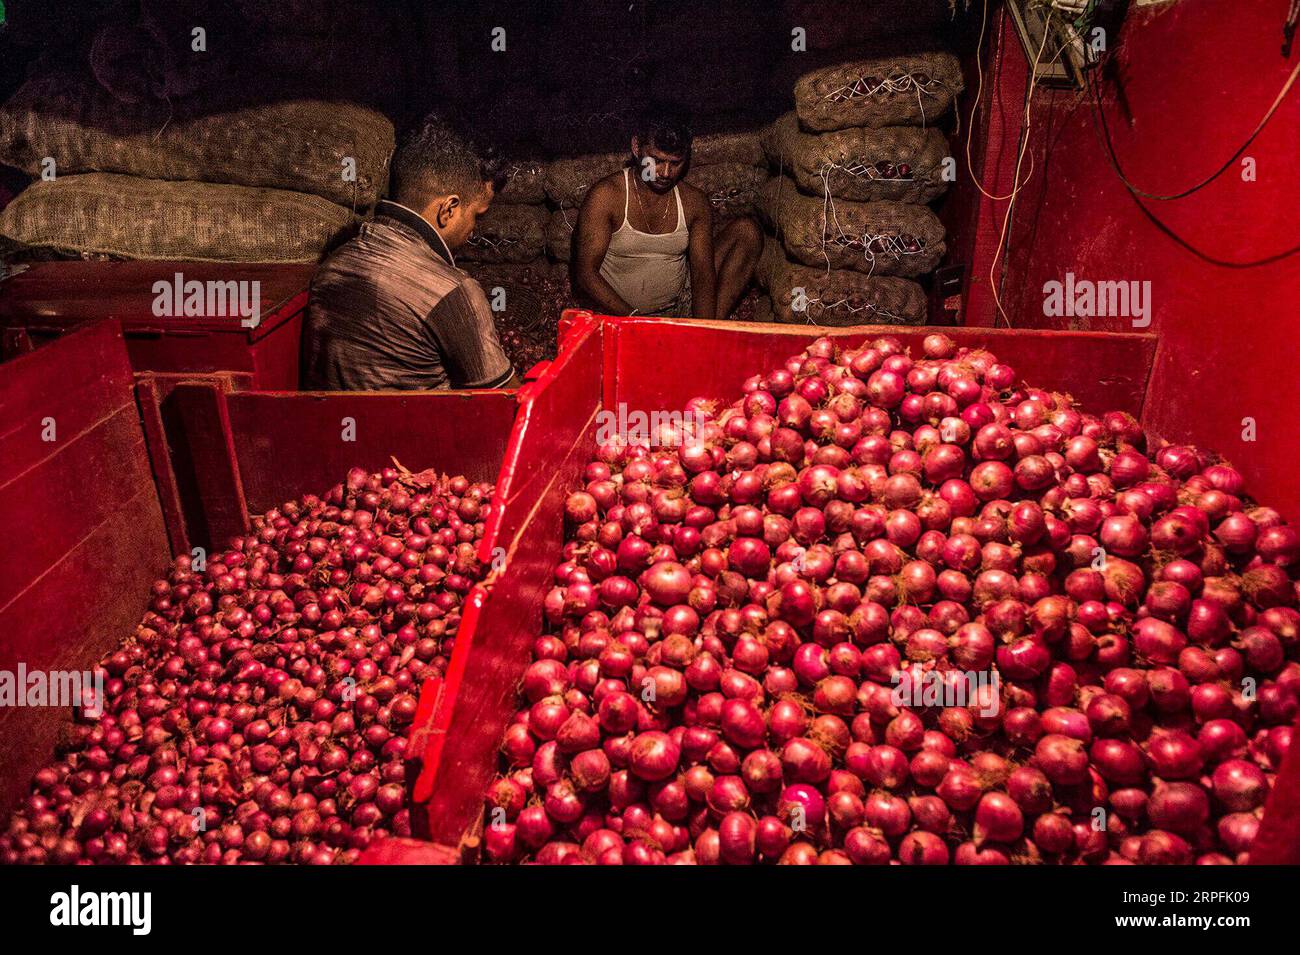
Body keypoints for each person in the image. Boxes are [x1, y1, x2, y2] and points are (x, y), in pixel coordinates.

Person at [301, 115, 519, 390]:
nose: (474, 229)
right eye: (477, 215)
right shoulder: (452, 291)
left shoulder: (334, 265)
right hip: (411, 431)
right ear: (448, 209)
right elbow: (507, 399)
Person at [572, 108, 762, 320]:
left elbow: (702, 274)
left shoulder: (693, 202)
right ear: (636, 147)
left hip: (677, 308)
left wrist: (703, 332)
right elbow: (586, 274)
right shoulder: (607, 196)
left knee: (747, 232)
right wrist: (637, 320)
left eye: (675, 163)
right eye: (656, 160)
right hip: (622, 316)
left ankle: (710, 330)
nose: (665, 173)